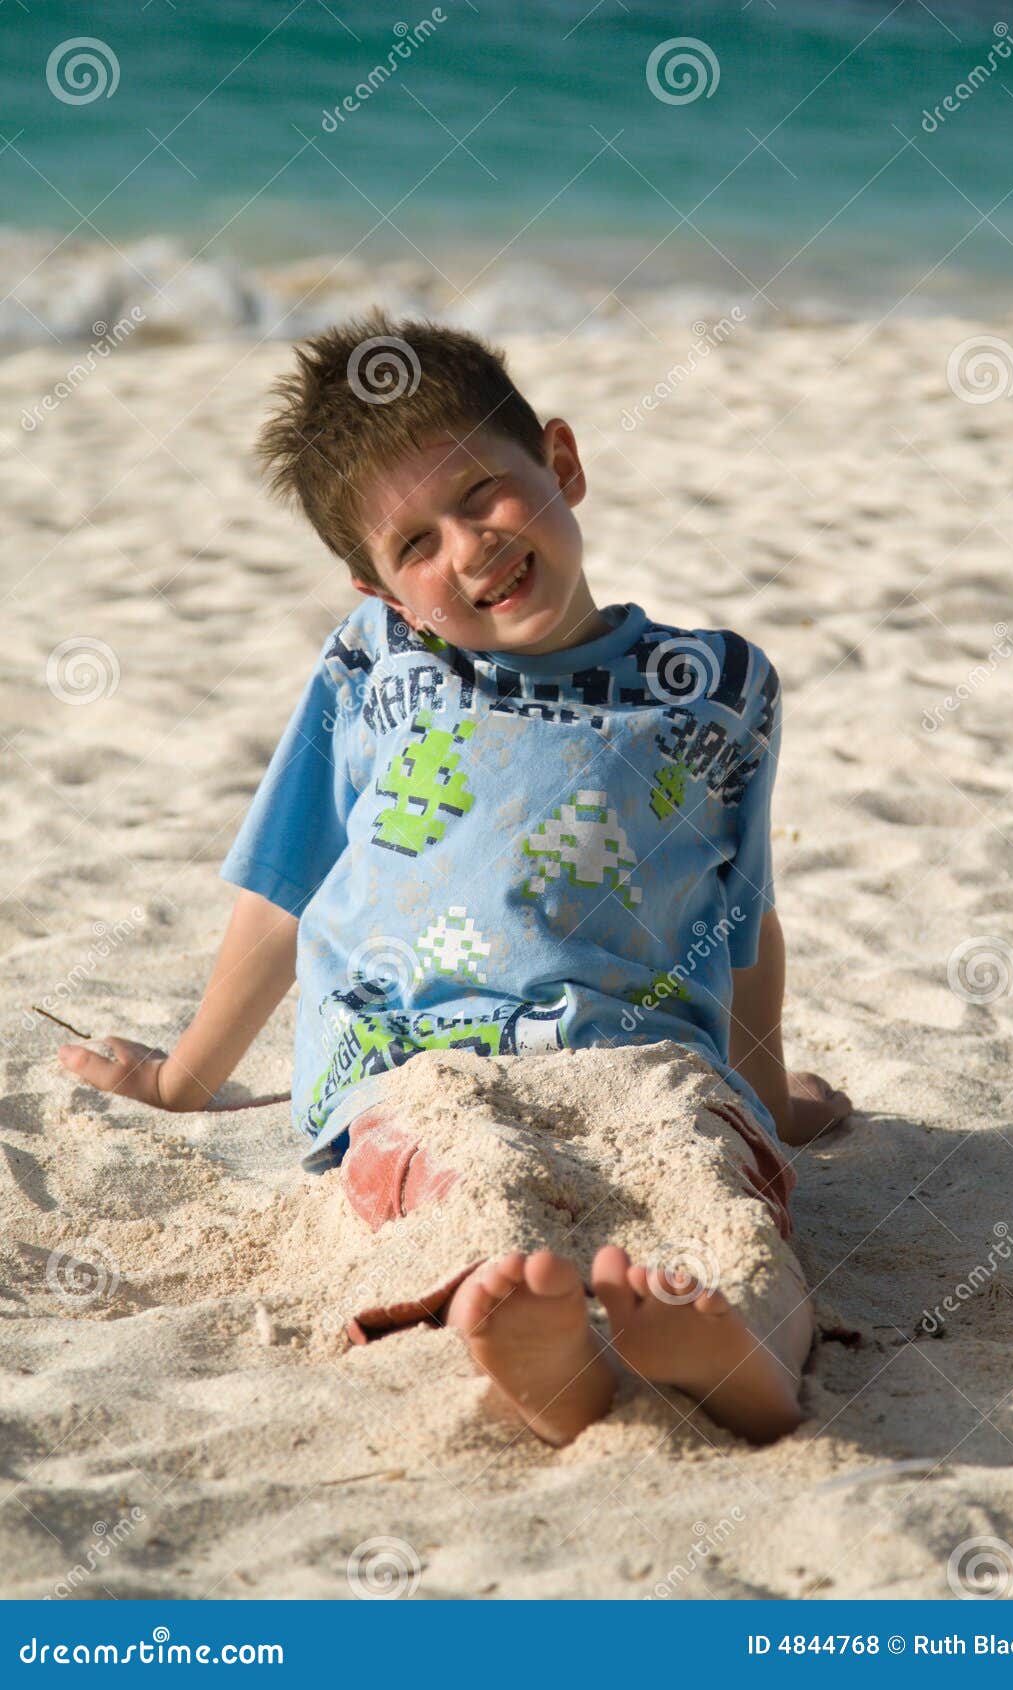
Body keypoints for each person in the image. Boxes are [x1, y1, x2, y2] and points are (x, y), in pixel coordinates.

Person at [59, 312, 851, 1447]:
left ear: (561, 464)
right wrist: (187, 1076)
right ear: (378, 589)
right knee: (455, 1168)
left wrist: (763, 1096)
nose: (468, 547)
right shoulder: (373, 665)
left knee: (707, 1176)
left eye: (482, 492)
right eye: (415, 546)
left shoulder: (714, 687)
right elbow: (289, 879)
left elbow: (740, 915)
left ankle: (743, 1353)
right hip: (415, 1055)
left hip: (641, 1050)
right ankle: (538, 1346)